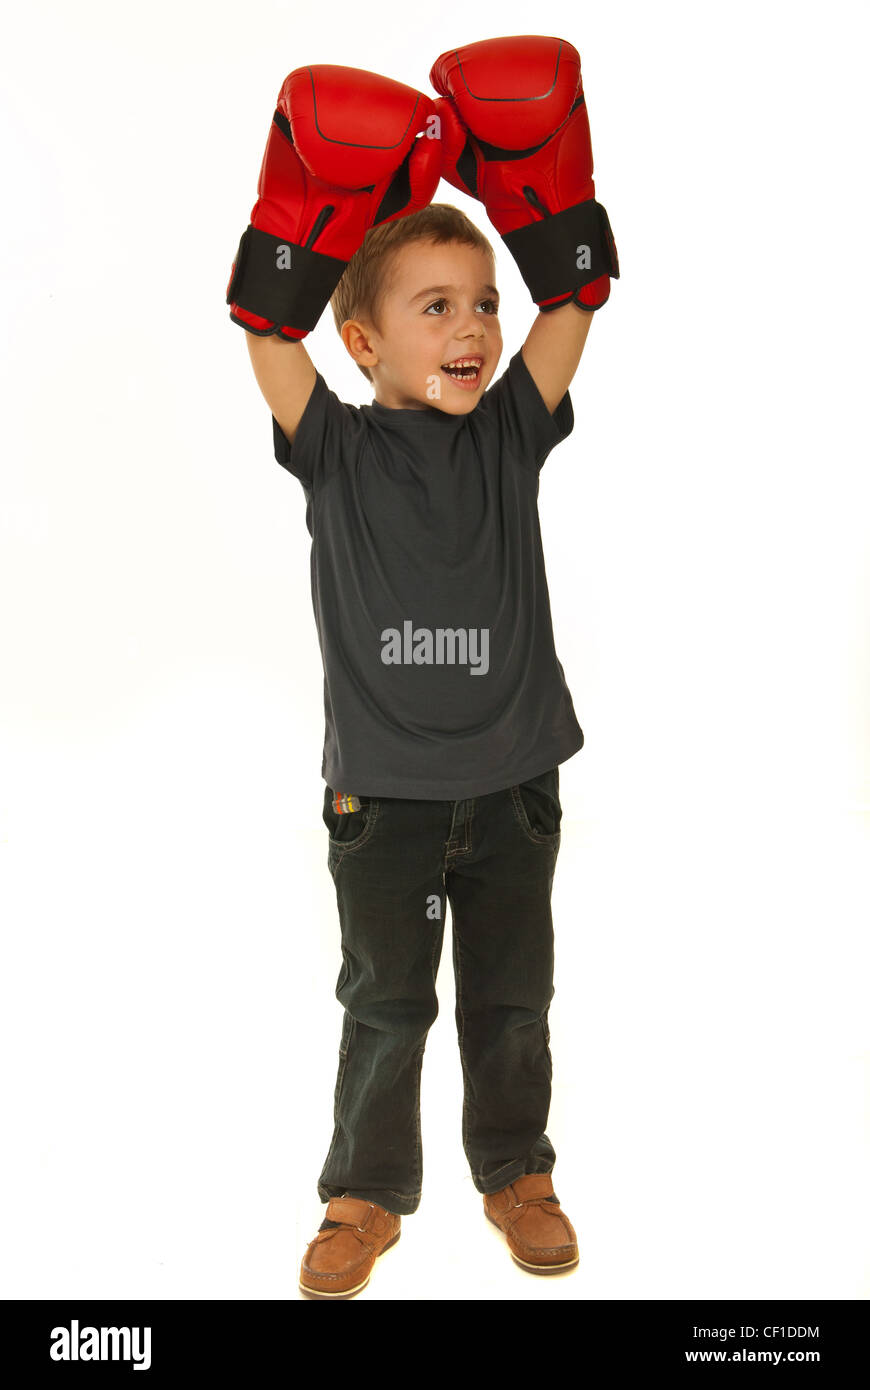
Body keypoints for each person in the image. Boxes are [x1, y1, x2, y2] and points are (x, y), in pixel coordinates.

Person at [226, 35, 619, 1299]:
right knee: (387, 1007)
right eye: (435, 306)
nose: (473, 327)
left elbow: (571, 305)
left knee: (513, 1000)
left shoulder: (511, 429)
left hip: (512, 789)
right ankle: (362, 1194)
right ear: (361, 341)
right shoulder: (333, 448)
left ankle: (517, 1170)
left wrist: (544, 212)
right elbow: (261, 333)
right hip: (384, 795)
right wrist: (301, 224)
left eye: (482, 301)